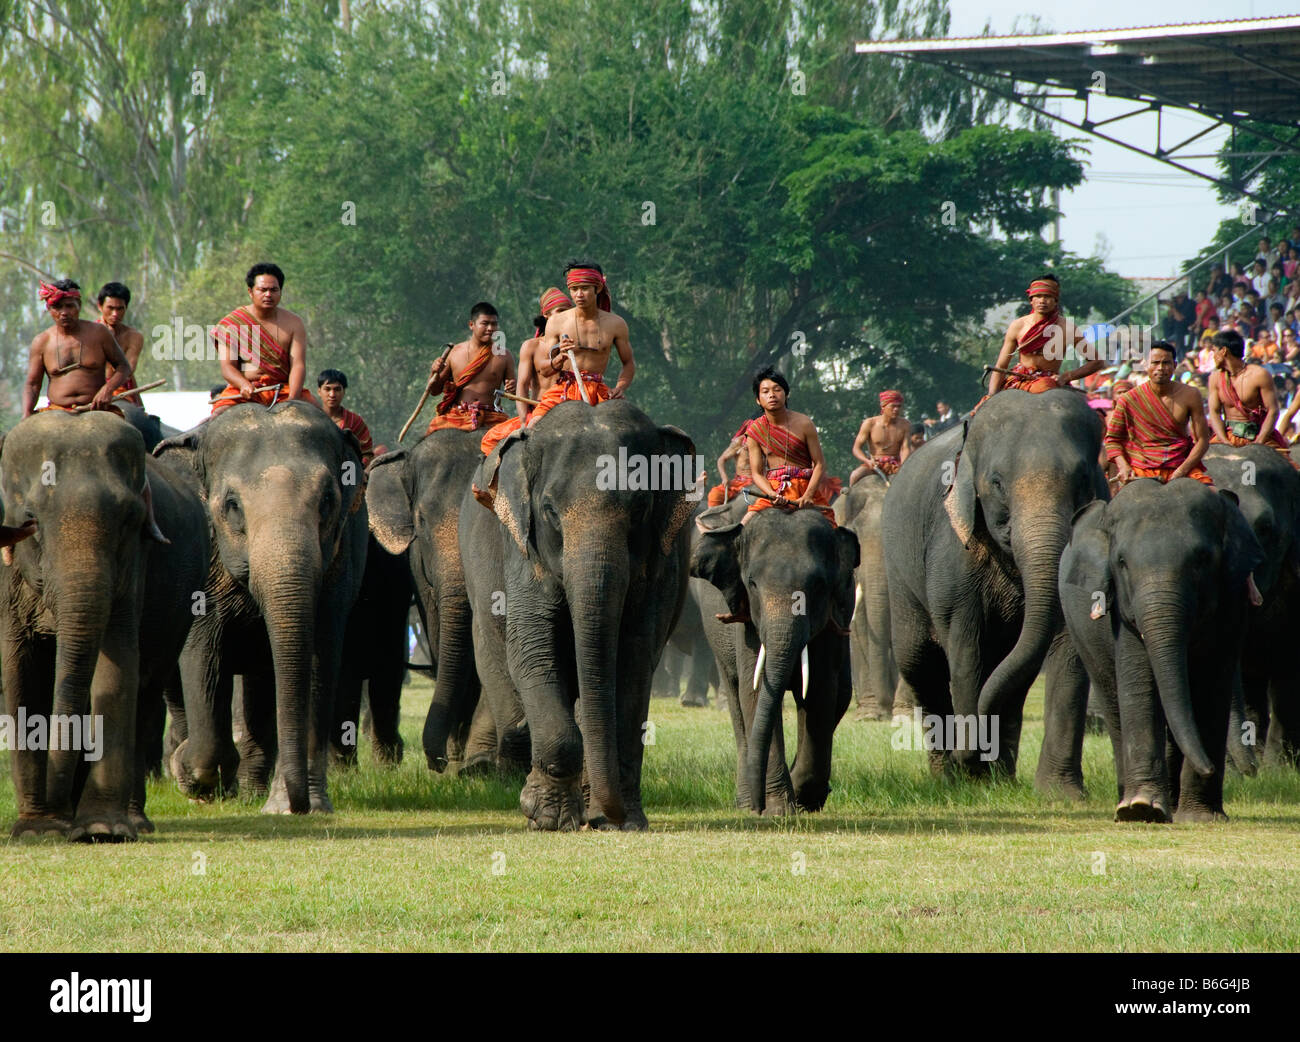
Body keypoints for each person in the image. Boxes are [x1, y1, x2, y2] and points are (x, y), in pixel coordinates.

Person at [23, 279, 167, 542]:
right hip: (55, 411)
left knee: (132, 443)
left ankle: (149, 516)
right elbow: (32, 384)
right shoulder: (41, 342)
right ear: (49, 310)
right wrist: (26, 415)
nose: (64, 312)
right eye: (58, 307)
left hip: (98, 411)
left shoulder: (99, 334)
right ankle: (21, 519)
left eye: (70, 305)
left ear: (79, 306)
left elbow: (123, 368)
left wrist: (107, 390)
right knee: (27, 454)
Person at [479, 260, 633, 456]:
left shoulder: (616, 324)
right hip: (563, 389)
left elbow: (628, 363)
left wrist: (620, 387)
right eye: (574, 288)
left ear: (598, 287)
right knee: (533, 428)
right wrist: (559, 358)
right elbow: (544, 368)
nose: (578, 294)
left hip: (599, 392)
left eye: (584, 288)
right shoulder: (557, 323)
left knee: (628, 435)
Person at [210, 263, 318, 414]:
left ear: (281, 291)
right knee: (217, 416)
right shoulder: (232, 323)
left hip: (283, 390)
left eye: (274, 290)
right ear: (250, 292)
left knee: (323, 422)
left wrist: (293, 398)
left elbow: (298, 365)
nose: (268, 294)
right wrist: (243, 384)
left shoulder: (294, 323)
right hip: (244, 391)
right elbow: (228, 367)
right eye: (262, 290)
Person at [741, 368, 839, 526]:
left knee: (834, 534)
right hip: (773, 491)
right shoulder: (754, 431)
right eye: (765, 391)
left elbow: (820, 464)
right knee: (743, 528)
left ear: (786, 394)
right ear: (758, 400)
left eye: (777, 390)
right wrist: (771, 494)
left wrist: (808, 495)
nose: (772, 395)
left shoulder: (804, 423)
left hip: (805, 487)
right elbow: (757, 473)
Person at [475, 288, 572, 447]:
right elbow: (522, 386)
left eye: (568, 312)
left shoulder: (574, 344)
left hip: (571, 411)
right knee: (491, 440)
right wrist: (523, 421)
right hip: (539, 412)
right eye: (560, 311)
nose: (565, 316)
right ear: (546, 315)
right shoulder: (531, 346)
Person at [1105, 342, 1213, 487]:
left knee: (1214, 497)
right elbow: (1112, 440)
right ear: (1145, 365)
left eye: (1166, 363)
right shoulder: (1128, 399)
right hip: (1142, 469)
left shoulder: (1191, 394)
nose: (1161, 368)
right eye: (1155, 363)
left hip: (1181, 465)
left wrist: (1182, 470)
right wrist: (1124, 466)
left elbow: (1203, 440)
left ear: (1174, 365)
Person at [988, 275, 1101, 394]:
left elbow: (1097, 362)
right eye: (1037, 296)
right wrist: (991, 395)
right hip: (1018, 380)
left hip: (1049, 383)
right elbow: (1001, 365)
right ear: (1031, 300)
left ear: (1055, 300)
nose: (1042, 301)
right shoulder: (1017, 326)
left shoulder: (1068, 328)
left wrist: (1067, 376)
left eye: (1047, 296)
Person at [423, 302, 515, 435]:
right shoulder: (454, 352)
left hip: (492, 417)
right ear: (471, 325)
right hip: (457, 415)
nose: (490, 328)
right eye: (485, 323)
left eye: (494, 324)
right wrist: (434, 372)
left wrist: (512, 388)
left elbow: (513, 394)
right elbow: (434, 391)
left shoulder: (504, 355)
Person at [1207, 329, 1295, 462]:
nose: (1212, 355)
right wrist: (1223, 440)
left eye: (1214, 350)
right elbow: (1214, 412)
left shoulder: (1259, 375)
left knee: (1289, 471)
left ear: (1223, 351)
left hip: (1258, 435)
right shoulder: (1214, 378)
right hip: (1228, 436)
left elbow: (1273, 410)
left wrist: (1260, 441)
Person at [96, 281, 144, 403]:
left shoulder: (134, 336)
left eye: (120, 309)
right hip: (90, 388)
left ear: (126, 308)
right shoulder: (88, 333)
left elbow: (127, 371)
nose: (115, 314)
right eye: (110, 308)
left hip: (119, 390)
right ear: (100, 306)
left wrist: (111, 341)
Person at [849, 390, 911, 484]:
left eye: (899, 406)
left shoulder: (905, 425)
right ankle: (848, 497)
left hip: (896, 465)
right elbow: (856, 448)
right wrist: (867, 461)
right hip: (875, 465)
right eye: (893, 406)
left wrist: (903, 465)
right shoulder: (870, 423)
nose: (896, 409)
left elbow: (906, 448)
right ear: (883, 406)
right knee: (855, 475)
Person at [317, 369, 375, 466]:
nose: (332, 394)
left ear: (344, 392)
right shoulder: (311, 419)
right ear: (319, 391)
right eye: (327, 389)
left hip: (347, 471)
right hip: (317, 470)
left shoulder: (354, 421)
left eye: (337, 389)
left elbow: (367, 453)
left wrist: (360, 470)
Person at [708, 420, 755, 506]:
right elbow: (721, 459)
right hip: (740, 483)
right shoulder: (740, 442)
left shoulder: (767, 443)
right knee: (714, 494)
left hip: (759, 483)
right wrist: (724, 478)